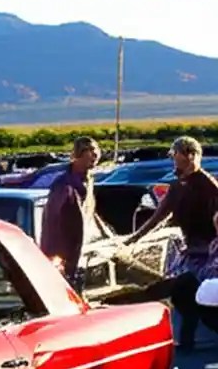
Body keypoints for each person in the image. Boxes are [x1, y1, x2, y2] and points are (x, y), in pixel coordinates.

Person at [124, 136, 218, 351]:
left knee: (188, 293)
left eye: (176, 154)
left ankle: (187, 341)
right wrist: (132, 240)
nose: (173, 160)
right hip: (190, 253)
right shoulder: (177, 187)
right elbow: (157, 217)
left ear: (190, 156)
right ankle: (186, 341)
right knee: (184, 296)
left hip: (208, 254)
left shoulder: (209, 187)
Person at [40, 137, 102, 286]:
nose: (95, 155)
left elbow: (89, 215)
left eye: (96, 151)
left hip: (81, 254)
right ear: (78, 155)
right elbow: (52, 221)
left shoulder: (88, 180)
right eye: (90, 151)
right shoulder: (64, 185)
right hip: (62, 257)